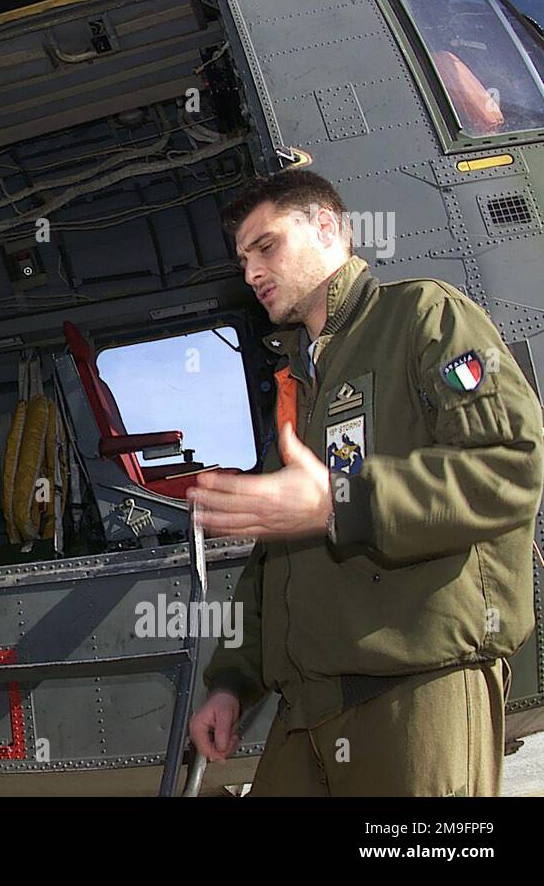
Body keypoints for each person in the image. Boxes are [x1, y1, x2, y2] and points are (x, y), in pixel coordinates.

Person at [187, 169, 543, 796]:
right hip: (305, 711)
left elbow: (509, 464)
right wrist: (232, 683)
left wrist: (341, 502)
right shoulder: (299, 375)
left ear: (327, 228)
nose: (250, 272)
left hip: (414, 689)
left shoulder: (423, 316)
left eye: (265, 247)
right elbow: (276, 556)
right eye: (242, 259)